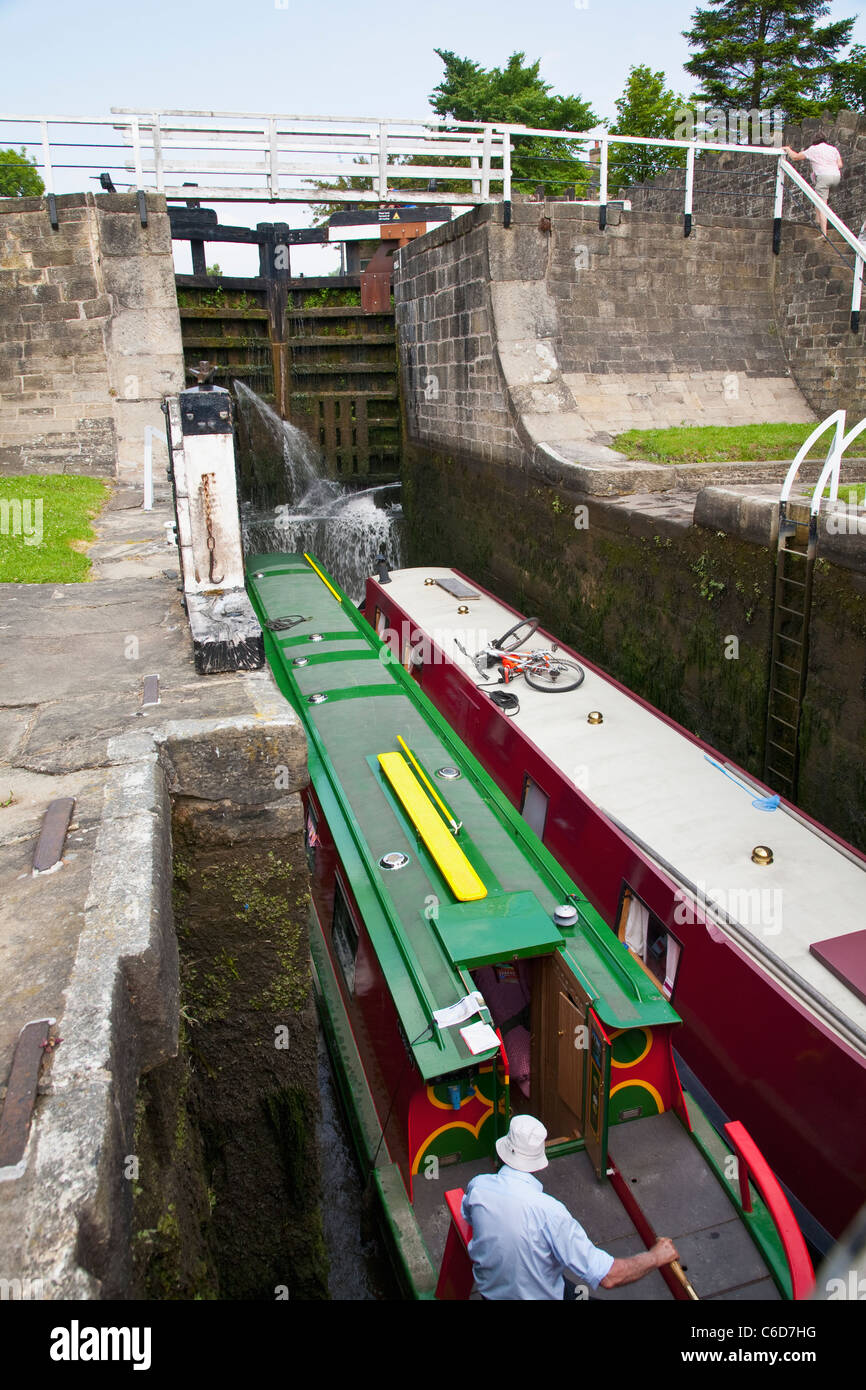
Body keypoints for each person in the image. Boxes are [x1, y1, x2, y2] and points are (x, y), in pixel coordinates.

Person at [462, 1114, 679, 1301]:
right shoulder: (551, 1212)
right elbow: (609, 1276)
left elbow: (471, 1217)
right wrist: (657, 1256)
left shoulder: (479, 1186)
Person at [782, 135, 843, 236]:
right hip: (836, 177)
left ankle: (824, 234)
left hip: (824, 177)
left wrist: (787, 149)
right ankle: (817, 222)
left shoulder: (813, 149)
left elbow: (795, 157)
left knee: (822, 205)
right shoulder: (833, 149)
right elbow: (840, 165)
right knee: (818, 198)